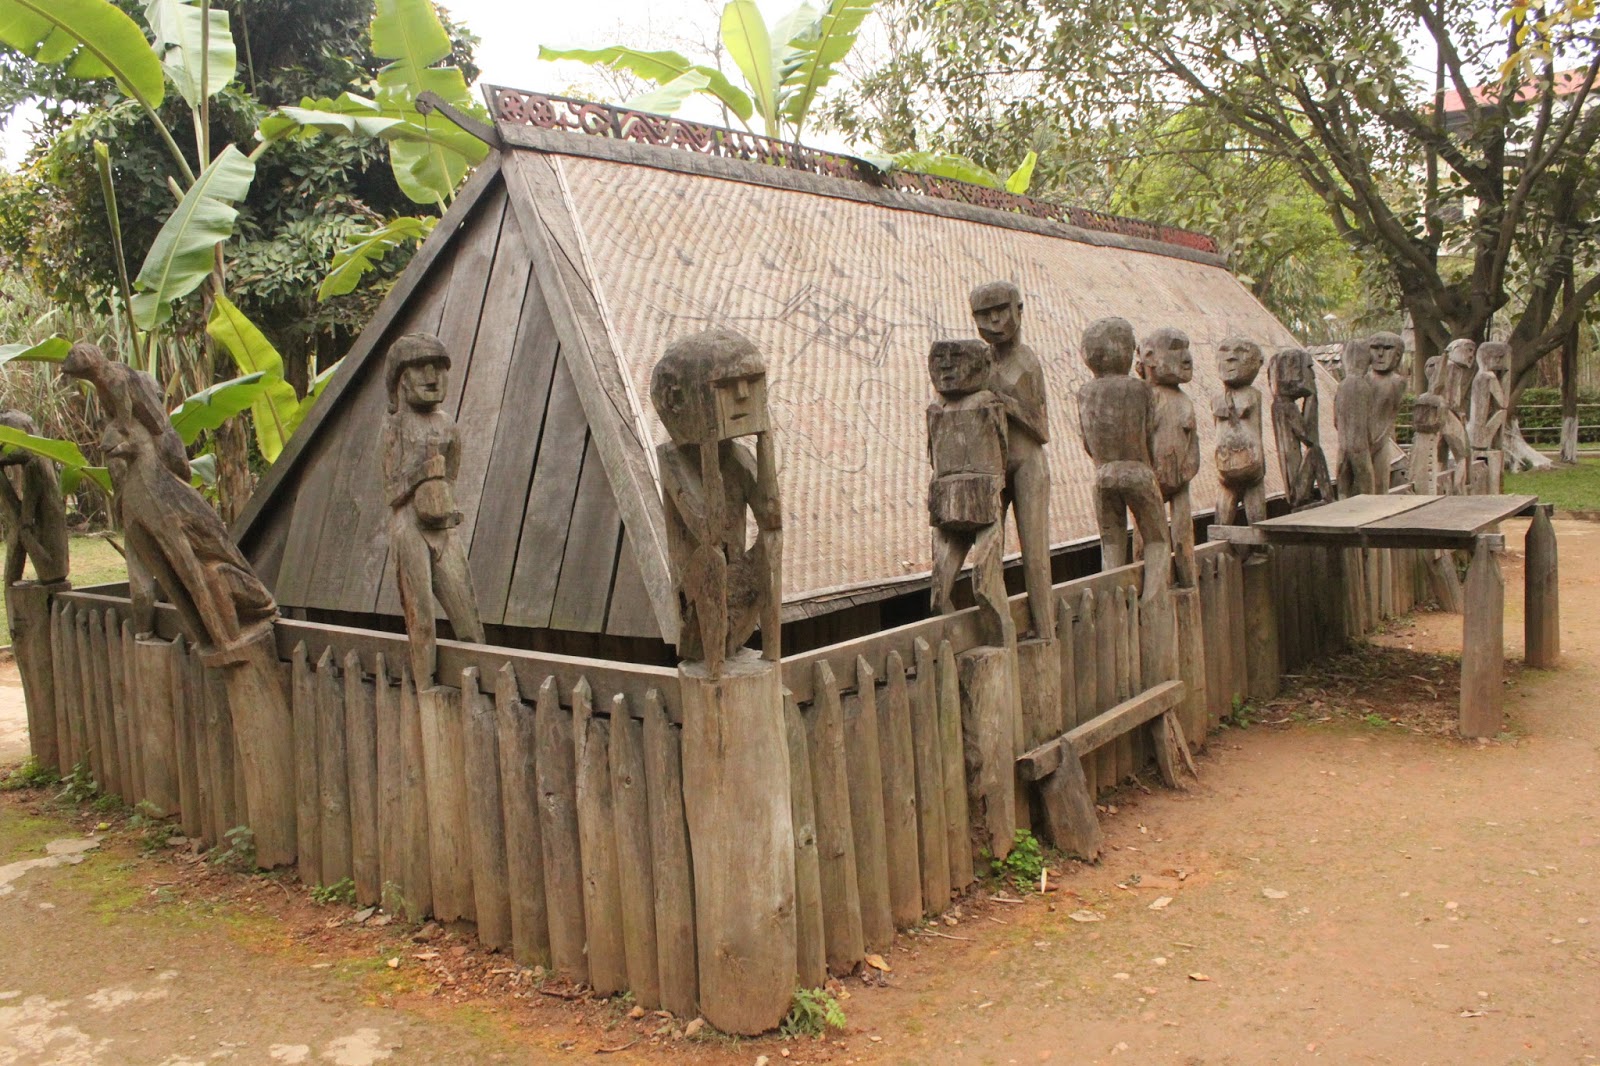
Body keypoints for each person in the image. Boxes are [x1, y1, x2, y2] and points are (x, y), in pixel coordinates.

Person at [381, 333, 484, 686]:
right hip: (409, 526)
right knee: (421, 617)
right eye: (421, 368)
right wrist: (421, 474)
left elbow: (450, 477)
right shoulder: (394, 425)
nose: (431, 376)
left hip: (444, 528)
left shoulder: (449, 425)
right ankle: (425, 685)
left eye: (439, 368)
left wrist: (444, 504)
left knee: (468, 617)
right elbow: (392, 490)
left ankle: (478, 686)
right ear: (399, 379)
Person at [970, 281, 1052, 640]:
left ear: (1019, 310)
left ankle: (1045, 628)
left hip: (1029, 463)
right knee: (988, 551)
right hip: (993, 465)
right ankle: (997, 627)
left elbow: (1041, 427)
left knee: (1034, 550)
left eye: (1001, 311)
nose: (994, 321)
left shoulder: (1027, 361)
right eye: (984, 315)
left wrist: (1002, 398)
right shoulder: (981, 361)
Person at [926, 338, 1013, 648]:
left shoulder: (987, 402)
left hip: (980, 497)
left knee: (986, 586)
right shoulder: (935, 408)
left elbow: (1001, 450)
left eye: (956, 357)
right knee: (939, 591)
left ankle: (999, 645)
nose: (947, 366)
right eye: (939, 359)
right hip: (947, 500)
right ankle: (957, 643)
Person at [1078, 317, 1169, 601]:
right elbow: (1150, 434)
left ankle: (1112, 601)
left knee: (1111, 544)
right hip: (1137, 470)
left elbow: (1086, 442)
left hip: (1103, 474)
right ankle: (1153, 599)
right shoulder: (1140, 390)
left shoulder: (1085, 393)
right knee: (1156, 539)